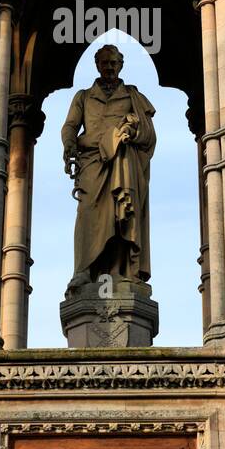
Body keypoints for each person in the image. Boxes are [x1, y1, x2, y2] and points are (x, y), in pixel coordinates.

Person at [61, 44, 156, 289]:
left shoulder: (133, 95)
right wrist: (69, 145)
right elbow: (70, 125)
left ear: (121, 65)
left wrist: (130, 130)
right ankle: (84, 270)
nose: (110, 67)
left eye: (114, 63)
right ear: (98, 65)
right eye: (105, 63)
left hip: (123, 162)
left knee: (121, 215)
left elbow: (148, 133)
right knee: (88, 213)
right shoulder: (83, 96)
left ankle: (119, 271)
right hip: (92, 162)